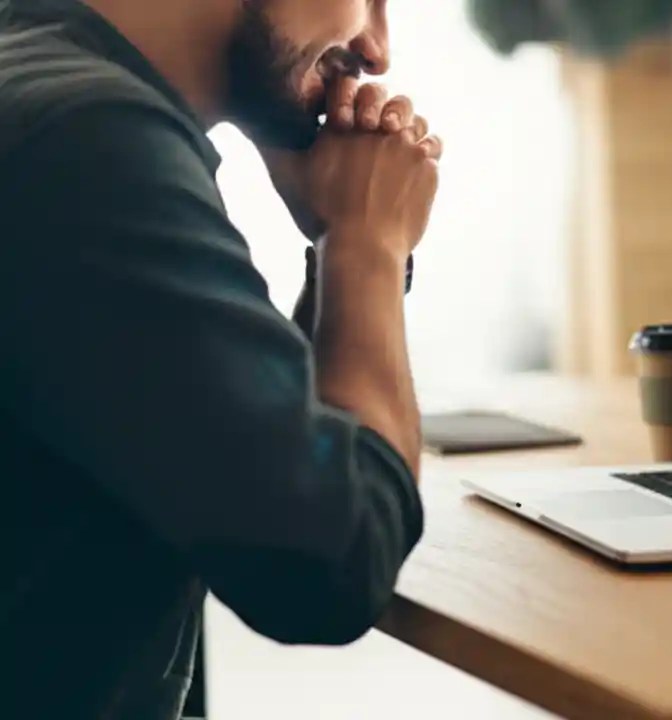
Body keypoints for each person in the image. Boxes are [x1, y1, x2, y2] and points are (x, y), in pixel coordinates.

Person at [0, 0, 440, 717]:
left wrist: (343, 252)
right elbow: (330, 563)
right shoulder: (87, 140)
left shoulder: (38, 85)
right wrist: (367, 244)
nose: (376, 47)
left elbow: (257, 468)